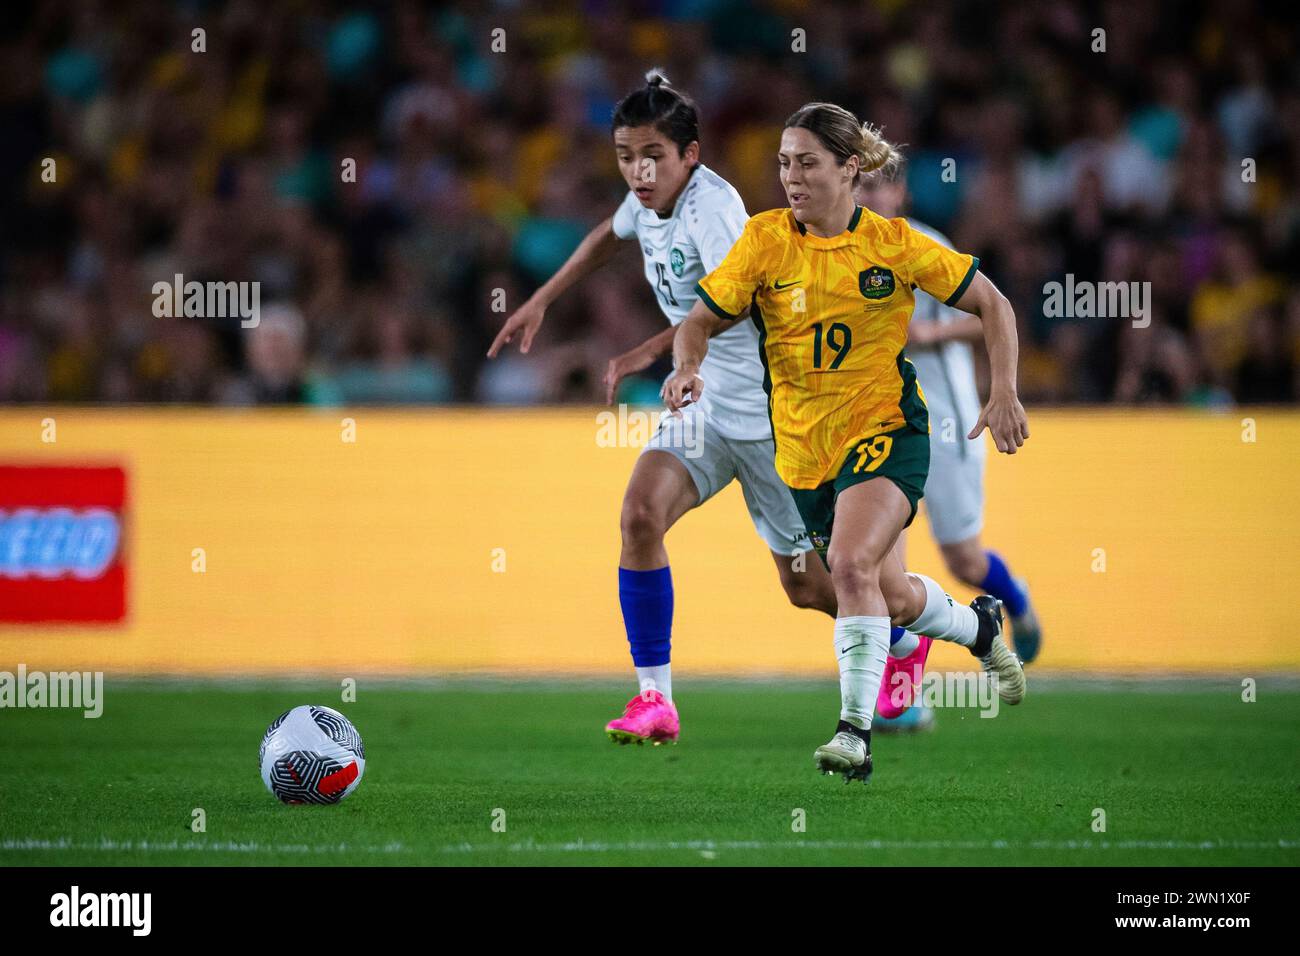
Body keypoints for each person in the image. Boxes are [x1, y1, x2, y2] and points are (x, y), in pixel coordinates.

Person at [665, 103, 1029, 782]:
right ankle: (980, 628)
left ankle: (854, 735)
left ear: (848, 168)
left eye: (806, 162)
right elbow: (699, 320)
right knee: (883, 594)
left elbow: (994, 304)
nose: (790, 177)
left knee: (851, 564)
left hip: (888, 431)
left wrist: (1002, 391)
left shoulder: (894, 243)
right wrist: (688, 365)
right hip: (805, 452)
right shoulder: (766, 241)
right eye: (783, 162)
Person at [489, 72, 838, 745]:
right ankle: (656, 701)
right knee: (639, 516)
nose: (638, 171)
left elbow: (728, 311)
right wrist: (544, 298)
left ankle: (909, 631)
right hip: (699, 402)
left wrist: (662, 355)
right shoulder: (645, 199)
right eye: (625, 155)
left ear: (691, 155)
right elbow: (606, 236)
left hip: (767, 413)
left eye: (652, 156)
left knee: (811, 589)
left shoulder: (716, 216)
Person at [856, 161, 1044, 734]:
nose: (868, 194)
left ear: (899, 190)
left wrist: (932, 333)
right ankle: (906, 699)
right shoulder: (842, 251)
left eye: (878, 184)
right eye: (860, 183)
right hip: (889, 430)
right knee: (888, 566)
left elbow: (990, 310)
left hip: (949, 423)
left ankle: (1013, 599)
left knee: (963, 561)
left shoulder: (923, 244)